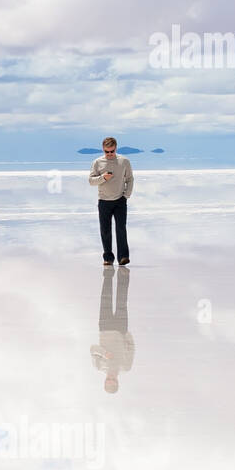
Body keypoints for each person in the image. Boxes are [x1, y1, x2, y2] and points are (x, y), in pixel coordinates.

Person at [88, 136, 134, 266]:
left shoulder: (124, 161)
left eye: (112, 151)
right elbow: (91, 181)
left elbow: (130, 179)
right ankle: (108, 258)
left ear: (116, 148)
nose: (109, 154)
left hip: (120, 200)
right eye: (106, 152)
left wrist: (126, 195)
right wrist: (103, 177)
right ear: (103, 150)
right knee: (105, 230)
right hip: (104, 201)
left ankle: (123, 257)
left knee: (121, 228)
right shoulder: (97, 162)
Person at [92, 266, 135, 394]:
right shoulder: (125, 367)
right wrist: (125, 333)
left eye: (108, 379)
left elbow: (93, 349)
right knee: (122, 299)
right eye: (113, 380)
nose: (110, 377)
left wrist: (104, 354)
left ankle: (108, 273)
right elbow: (131, 348)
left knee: (106, 297)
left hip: (105, 328)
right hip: (121, 328)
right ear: (117, 381)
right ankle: (124, 275)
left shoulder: (98, 366)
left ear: (105, 380)